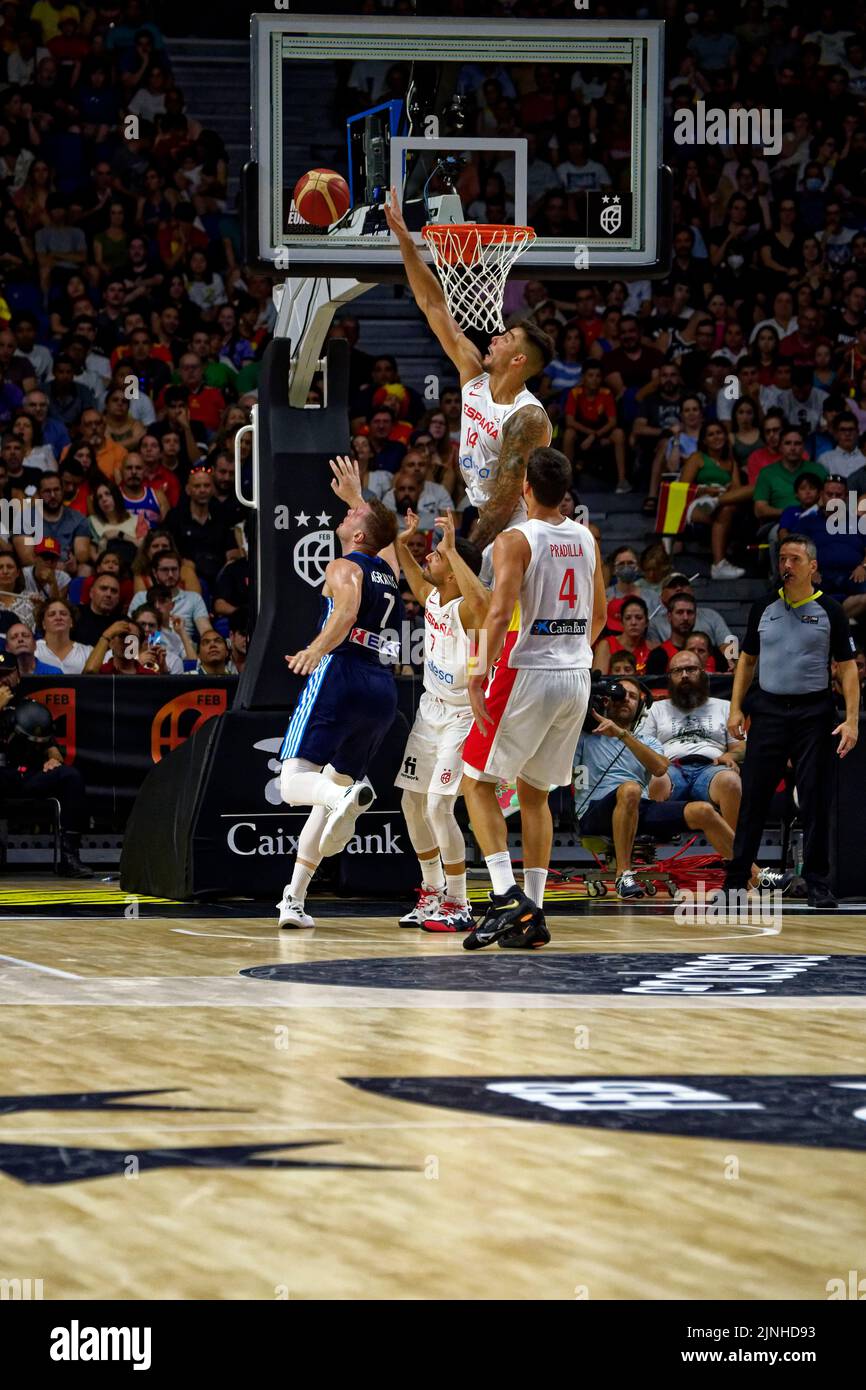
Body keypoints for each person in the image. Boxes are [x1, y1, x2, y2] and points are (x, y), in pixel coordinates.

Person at [459, 446, 606, 950]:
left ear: (525, 485)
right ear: (563, 489)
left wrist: (478, 673)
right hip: (576, 676)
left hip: (527, 672)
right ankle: (534, 914)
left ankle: (504, 897)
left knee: (474, 782)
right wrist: (569, 651)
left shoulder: (514, 539)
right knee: (535, 793)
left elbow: (498, 615)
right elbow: (602, 616)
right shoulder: (587, 537)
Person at [384, 185, 553, 571]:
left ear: (519, 360)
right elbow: (433, 305)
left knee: (491, 621)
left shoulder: (526, 417)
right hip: (488, 514)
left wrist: (463, 553)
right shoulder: (474, 376)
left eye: (507, 338)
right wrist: (404, 240)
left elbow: (507, 500)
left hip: (517, 524)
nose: (495, 336)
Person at [276, 459, 402, 929]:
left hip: (341, 670)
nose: (346, 516)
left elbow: (346, 614)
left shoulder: (344, 565)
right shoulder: (386, 570)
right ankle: (294, 898)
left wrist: (314, 649)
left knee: (294, 784)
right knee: (331, 798)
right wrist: (357, 498)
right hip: (380, 686)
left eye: (352, 517)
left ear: (359, 537)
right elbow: (383, 539)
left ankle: (340, 799)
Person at [724, 534, 860, 909]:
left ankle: (817, 881)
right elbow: (747, 661)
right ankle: (736, 880)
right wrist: (736, 708)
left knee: (815, 799)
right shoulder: (763, 606)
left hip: (813, 713)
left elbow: (847, 670)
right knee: (753, 796)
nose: (787, 565)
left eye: (795, 559)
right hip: (767, 710)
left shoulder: (830, 610)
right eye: (783, 558)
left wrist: (851, 720)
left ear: (813, 567)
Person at [392, 509, 488, 933]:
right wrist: (402, 540)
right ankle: (431, 892)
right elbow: (409, 568)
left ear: (454, 569)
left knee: (438, 804)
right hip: (430, 710)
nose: (427, 557)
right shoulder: (432, 596)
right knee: (411, 802)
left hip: (462, 716)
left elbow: (484, 604)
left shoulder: (469, 609)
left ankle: (459, 901)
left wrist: (453, 547)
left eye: (437, 555)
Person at [0, 650, 91, 876]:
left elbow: (53, 748)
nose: (3, 680)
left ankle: (69, 857)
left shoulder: (29, 707)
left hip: (27, 775)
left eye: (7, 674)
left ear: (18, 675)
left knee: (70, 776)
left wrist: (52, 759)